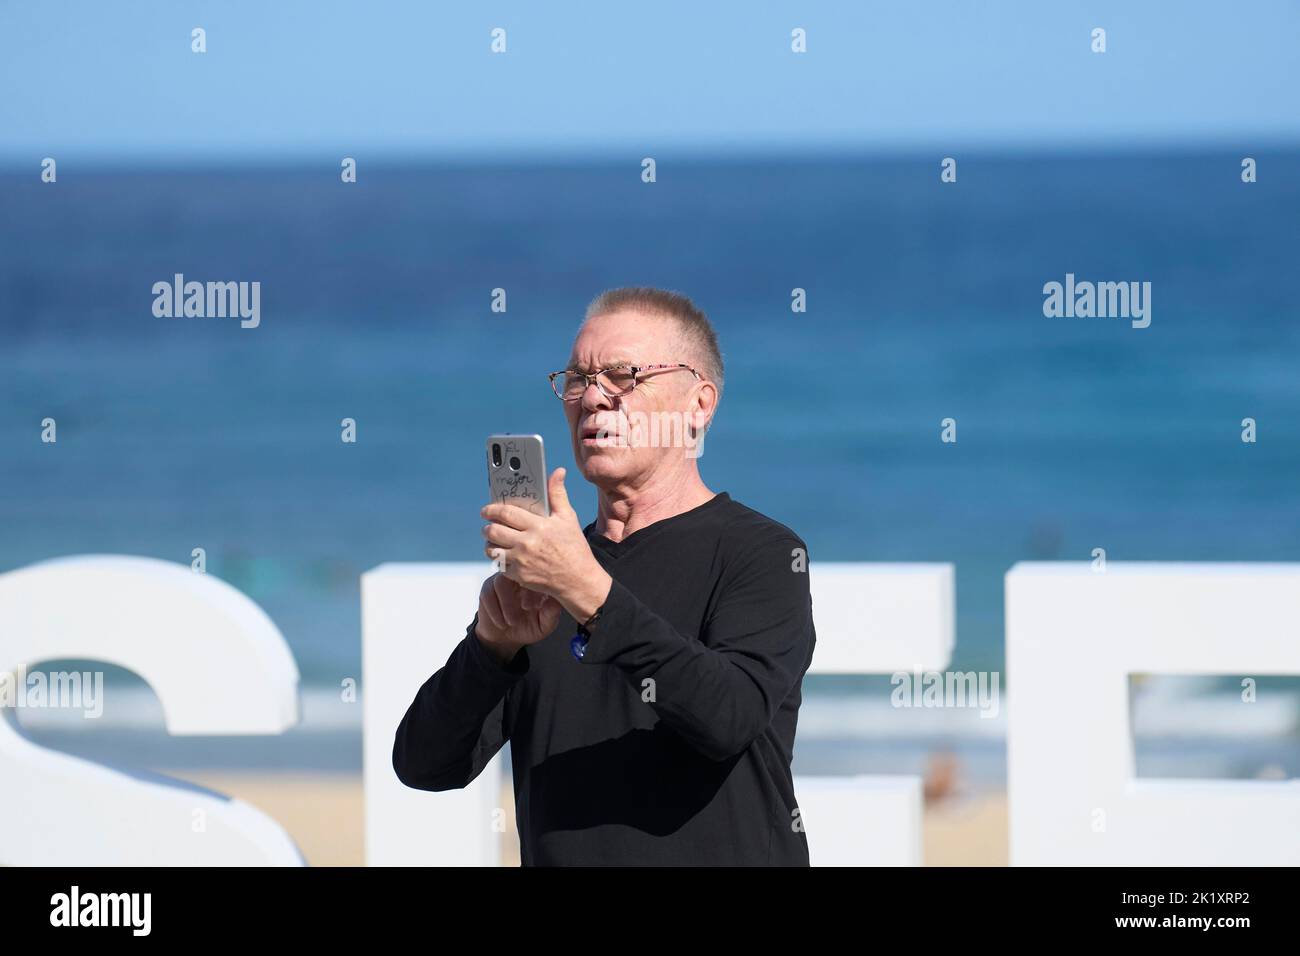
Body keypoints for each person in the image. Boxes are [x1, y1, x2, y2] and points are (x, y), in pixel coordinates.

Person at [393, 287, 817, 865]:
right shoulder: (547, 571)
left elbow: (727, 718)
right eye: (577, 379)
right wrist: (490, 649)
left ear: (698, 405)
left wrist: (587, 591)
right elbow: (424, 765)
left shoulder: (763, 553)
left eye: (622, 376)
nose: (592, 398)